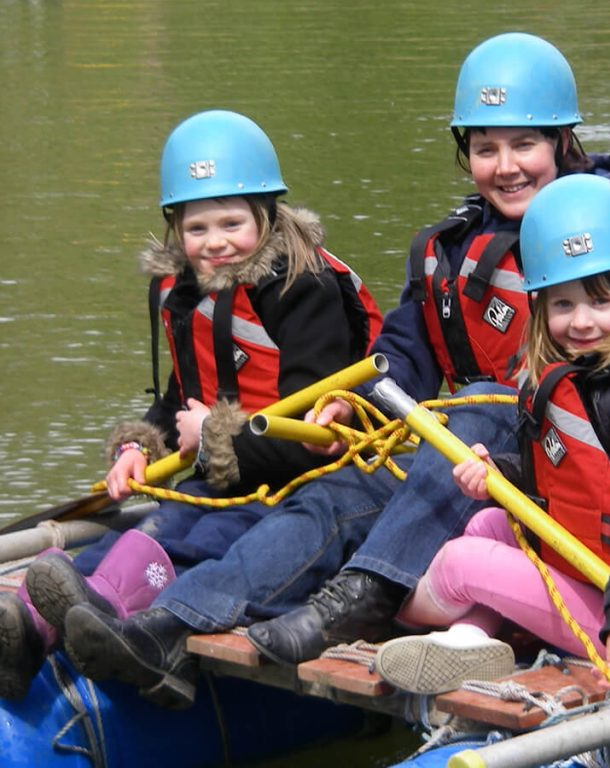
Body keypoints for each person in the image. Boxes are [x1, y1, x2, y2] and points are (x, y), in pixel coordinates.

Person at [62, 33, 610, 708]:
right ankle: (169, 625)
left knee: (483, 399)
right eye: (485, 149)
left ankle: (365, 591)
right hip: (455, 456)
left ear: (564, 144)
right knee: (327, 498)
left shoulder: (608, 240)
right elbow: (405, 354)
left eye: (524, 145)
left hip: (555, 473)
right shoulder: (447, 248)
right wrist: (355, 400)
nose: (505, 166)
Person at [0, 109, 381, 701]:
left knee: (194, 533)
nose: (216, 243)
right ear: (175, 227)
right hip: (226, 469)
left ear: (268, 215)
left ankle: (106, 616)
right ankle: (27, 625)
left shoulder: (303, 290)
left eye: (232, 223)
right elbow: (181, 398)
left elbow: (317, 438)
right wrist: (137, 446)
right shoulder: (185, 291)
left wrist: (213, 438)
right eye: (197, 228)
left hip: (299, 478)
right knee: (155, 523)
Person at [372, 174, 610, 696]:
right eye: (562, 305)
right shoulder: (583, 372)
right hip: (591, 572)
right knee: (490, 521)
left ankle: (383, 616)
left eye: (600, 302)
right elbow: (571, 483)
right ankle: (471, 639)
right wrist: (501, 474)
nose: (580, 322)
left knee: (457, 563)